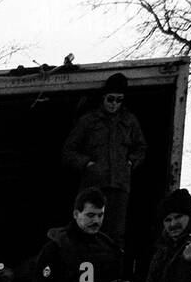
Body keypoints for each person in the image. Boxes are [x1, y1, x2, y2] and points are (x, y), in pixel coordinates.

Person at [62, 72, 147, 247]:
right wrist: (87, 163)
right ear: (103, 98)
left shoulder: (129, 121)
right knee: (88, 230)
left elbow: (141, 147)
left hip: (119, 186)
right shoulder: (89, 121)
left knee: (115, 235)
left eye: (119, 100)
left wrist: (131, 161)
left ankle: (112, 271)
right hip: (93, 185)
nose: (114, 104)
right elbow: (69, 150)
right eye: (111, 99)